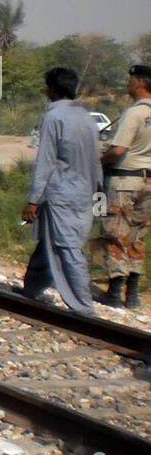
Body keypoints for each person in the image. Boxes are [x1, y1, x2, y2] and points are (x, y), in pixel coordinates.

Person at [20, 66, 103, 312]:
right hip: (85, 192)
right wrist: (100, 198)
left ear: (52, 90)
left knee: (67, 247)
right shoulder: (87, 118)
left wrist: (33, 200)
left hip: (62, 193)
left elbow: (45, 161)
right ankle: (31, 288)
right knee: (49, 240)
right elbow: (96, 161)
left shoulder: (54, 117)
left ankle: (83, 306)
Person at [96, 65, 151, 308]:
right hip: (149, 181)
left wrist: (99, 158)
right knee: (138, 235)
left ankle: (114, 292)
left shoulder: (134, 113)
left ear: (140, 82)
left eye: (130, 80)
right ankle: (134, 293)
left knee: (115, 234)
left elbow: (118, 150)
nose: (128, 84)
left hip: (124, 180)